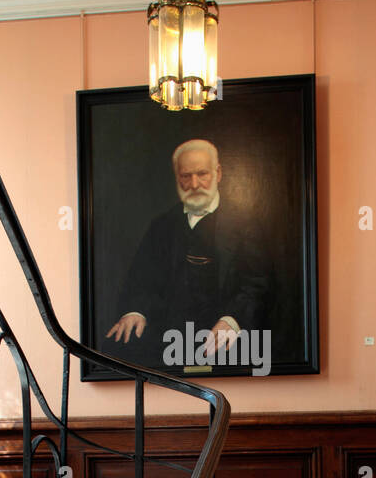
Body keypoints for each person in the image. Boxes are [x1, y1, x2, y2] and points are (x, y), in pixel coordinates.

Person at [105, 139, 270, 365]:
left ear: (218, 173)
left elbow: (257, 284)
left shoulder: (246, 224)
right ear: (177, 177)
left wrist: (232, 320)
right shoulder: (161, 226)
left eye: (202, 174)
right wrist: (136, 311)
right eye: (186, 176)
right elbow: (141, 279)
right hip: (169, 335)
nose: (194, 184)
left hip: (224, 331)